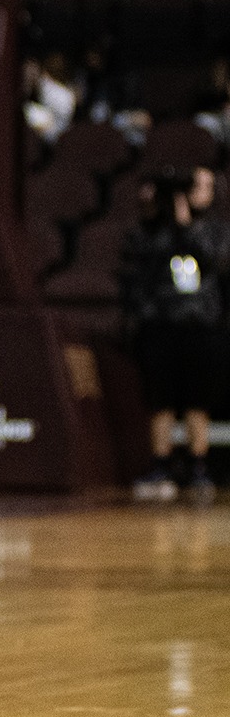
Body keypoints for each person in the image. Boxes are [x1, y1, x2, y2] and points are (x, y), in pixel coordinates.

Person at [121, 169, 226, 501]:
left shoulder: (214, 229)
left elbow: (214, 262)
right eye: (198, 187)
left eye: (207, 187)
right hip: (162, 324)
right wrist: (156, 209)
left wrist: (185, 225)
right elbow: (140, 264)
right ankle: (161, 464)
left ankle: (198, 465)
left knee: (198, 398)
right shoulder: (153, 231)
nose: (203, 192)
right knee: (160, 399)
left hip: (200, 325)